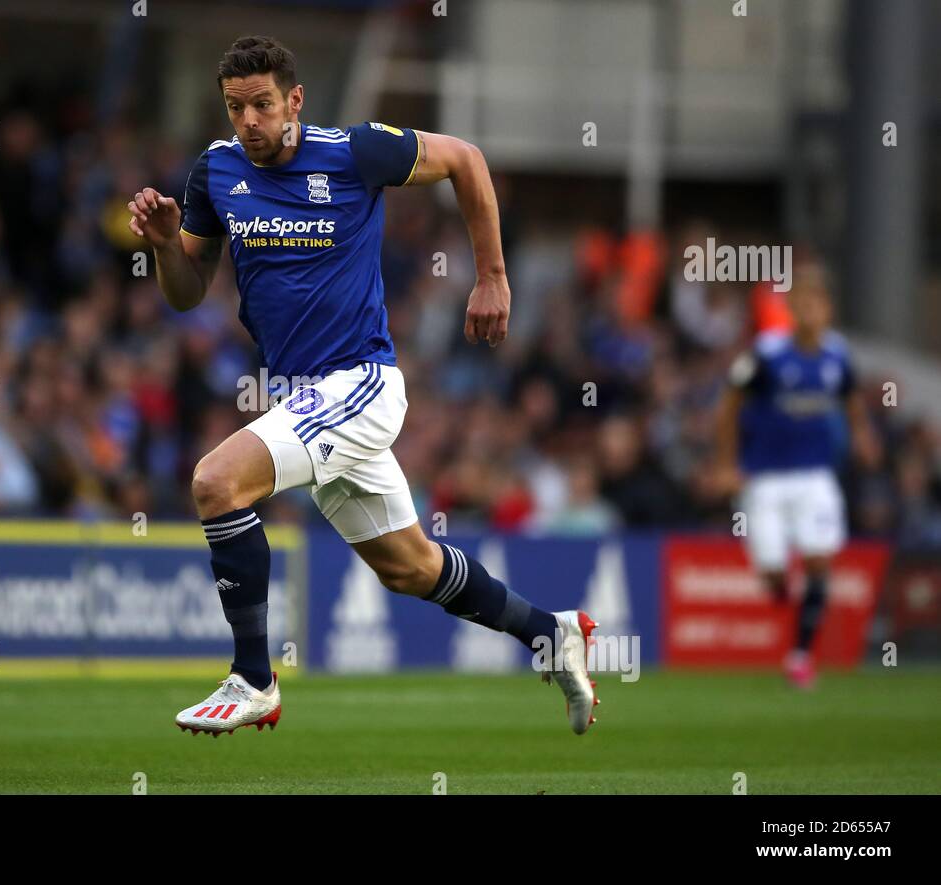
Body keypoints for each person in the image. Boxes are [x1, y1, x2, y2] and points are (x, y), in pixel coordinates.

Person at [128, 36, 598, 736]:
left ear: (294, 100)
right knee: (409, 569)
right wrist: (166, 245)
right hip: (303, 399)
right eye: (235, 108)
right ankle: (549, 633)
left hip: (360, 385)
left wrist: (493, 276)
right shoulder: (216, 171)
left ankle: (253, 677)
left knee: (215, 482)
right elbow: (186, 293)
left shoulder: (353, 152)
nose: (248, 121)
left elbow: (465, 159)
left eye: (261, 104)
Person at [716, 263, 872, 688]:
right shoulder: (767, 354)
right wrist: (727, 464)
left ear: (828, 309)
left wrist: (862, 435)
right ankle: (783, 586)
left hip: (814, 477)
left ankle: (800, 655)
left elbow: (851, 399)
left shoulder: (837, 355)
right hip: (764, 479)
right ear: (790, 308)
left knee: (820, 558)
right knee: (772, 574)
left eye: (815, 302)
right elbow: (729, 406)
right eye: (799, 302)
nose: (808, 310)